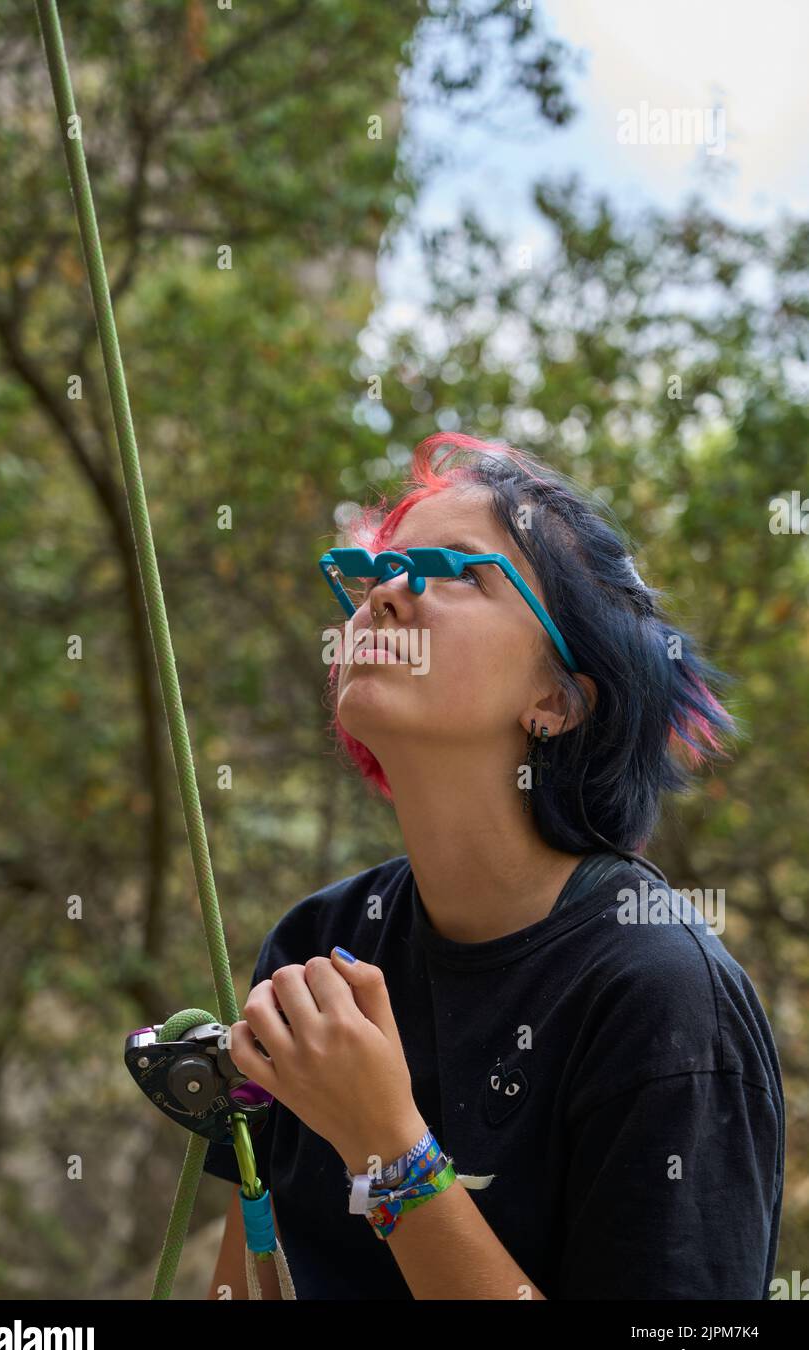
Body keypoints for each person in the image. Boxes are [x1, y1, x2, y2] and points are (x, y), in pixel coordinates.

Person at [204, 431, 784, 1300]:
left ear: (556, 699)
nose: (385, 597)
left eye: (456, 572)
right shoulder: (319, 941)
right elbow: (246, 1283)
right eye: (379, 573)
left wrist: (389, 1151)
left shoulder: (663, 996)